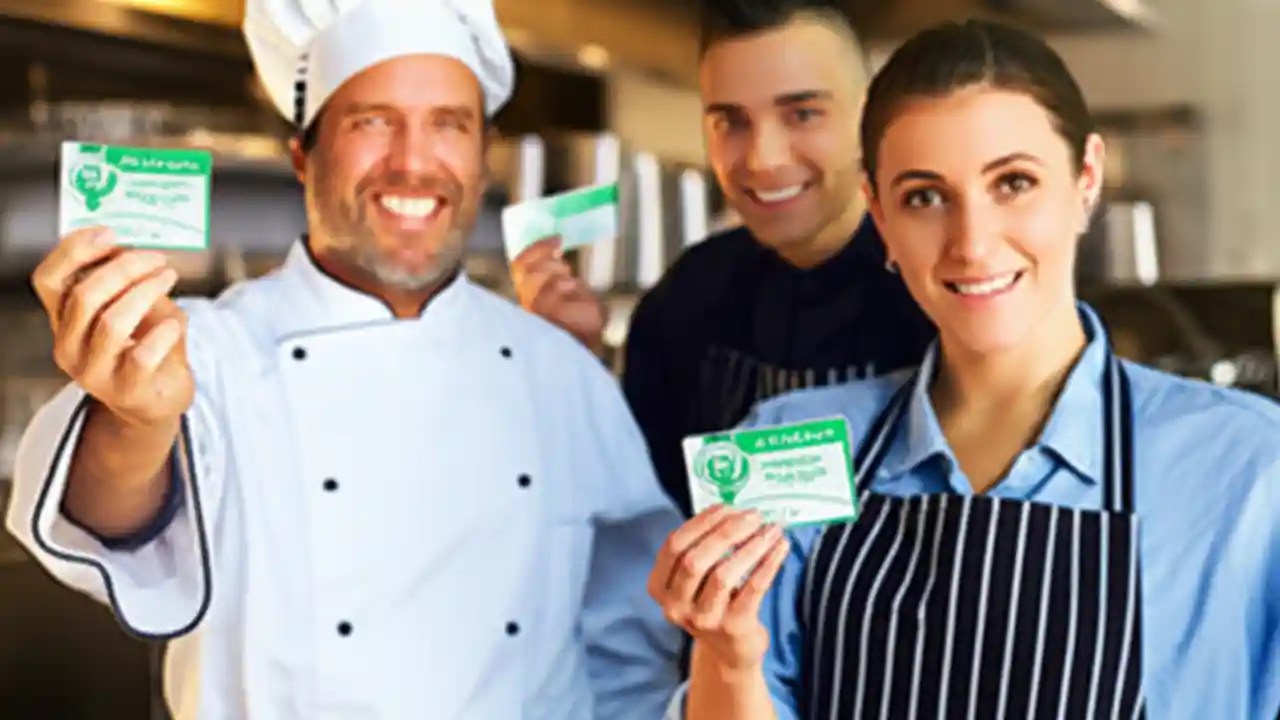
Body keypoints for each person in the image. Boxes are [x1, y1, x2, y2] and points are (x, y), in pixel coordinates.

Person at [4, 1, 683, 717]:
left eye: (448, 124)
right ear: (304, 156)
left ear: (483, 162)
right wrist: (135, 420)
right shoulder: (206, 348)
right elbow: (112, 516)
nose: (414, 161)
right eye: (372, 121)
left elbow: (628, 649)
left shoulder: (562, 373)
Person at [650, 18, 1280, 720]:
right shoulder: (792, 441)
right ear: (880, 216)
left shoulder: (1248, 464)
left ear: (1086, 180)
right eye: (924, 196)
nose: (972, 245)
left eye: (1013, 183)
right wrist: (726, 655)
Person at [510, 0, 936, 517]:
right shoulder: (688, 297)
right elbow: (634, 506)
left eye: (802, 113)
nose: (764, 159)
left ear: (869, 117)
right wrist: (577, 362)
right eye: (731, 122)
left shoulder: (939, 290)